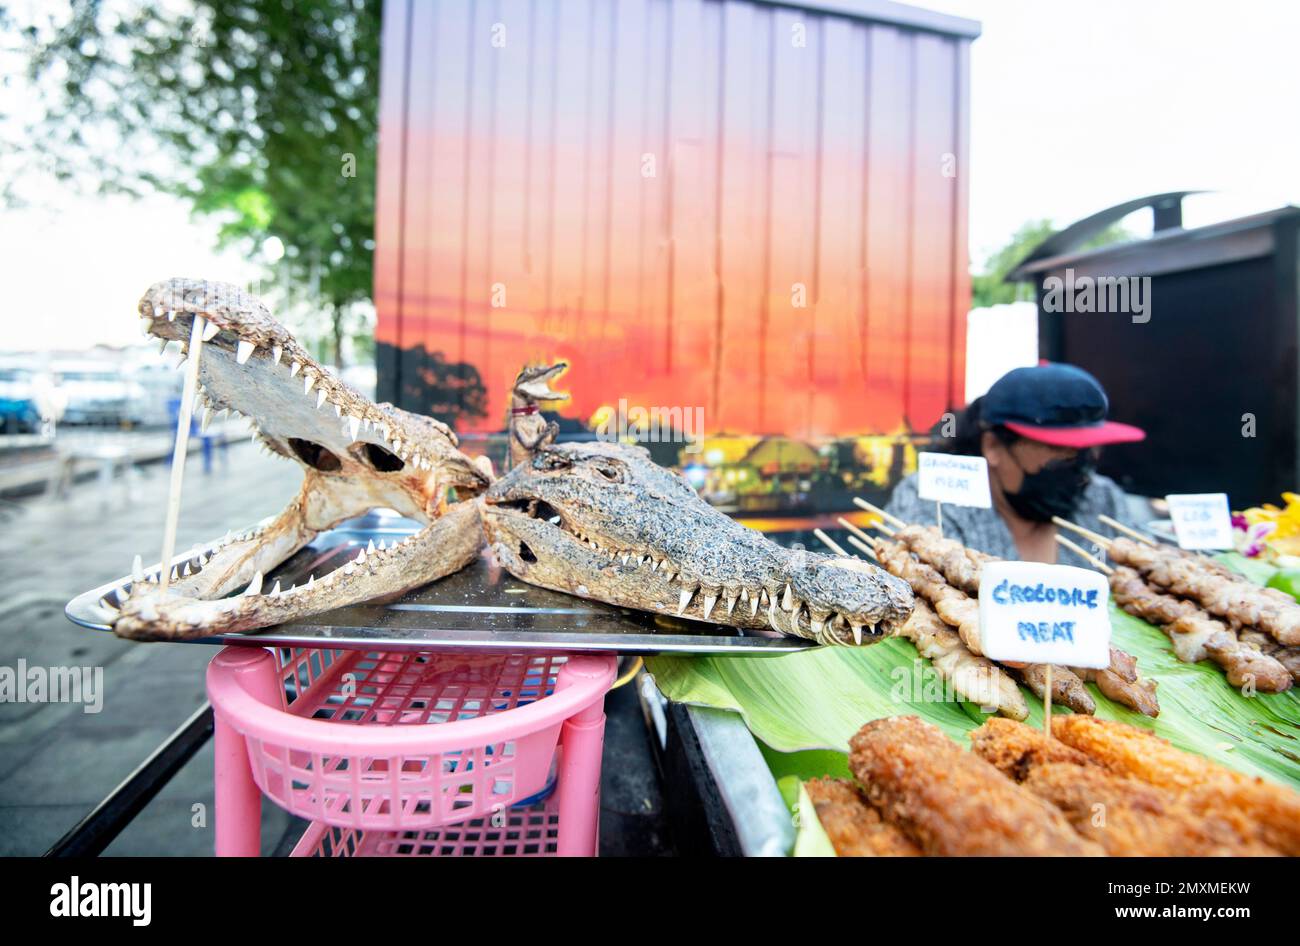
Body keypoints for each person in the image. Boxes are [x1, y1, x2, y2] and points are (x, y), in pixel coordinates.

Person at [885, 363, 1146, 564]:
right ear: (994, 446)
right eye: (1057, 448)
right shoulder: (934, 501)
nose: (1077, 466)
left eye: (1087, 448)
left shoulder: (1104, 501)